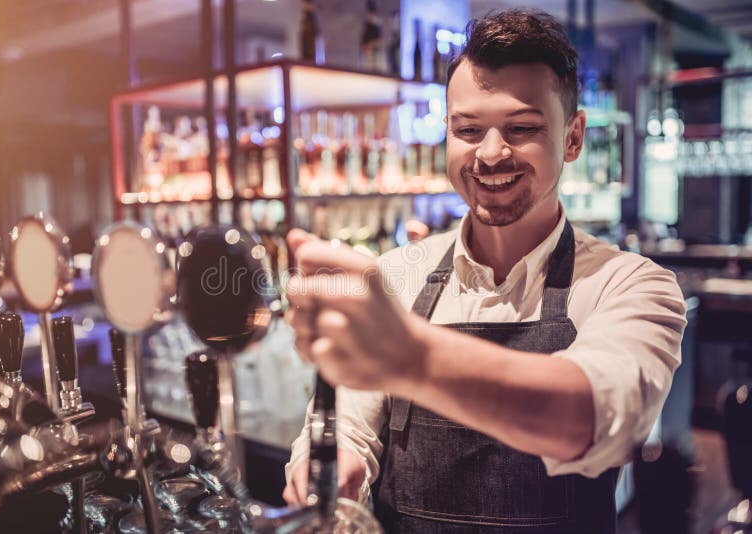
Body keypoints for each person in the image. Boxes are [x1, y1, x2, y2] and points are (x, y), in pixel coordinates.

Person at [282, 9, 687, 533]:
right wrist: (331, 468)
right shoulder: (397, 275)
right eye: (468, 129)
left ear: (573, 137)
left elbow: (590, 417)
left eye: (521, 128)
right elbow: (346, 428)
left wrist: (411, 356)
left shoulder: (632, 285)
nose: (491, 153)